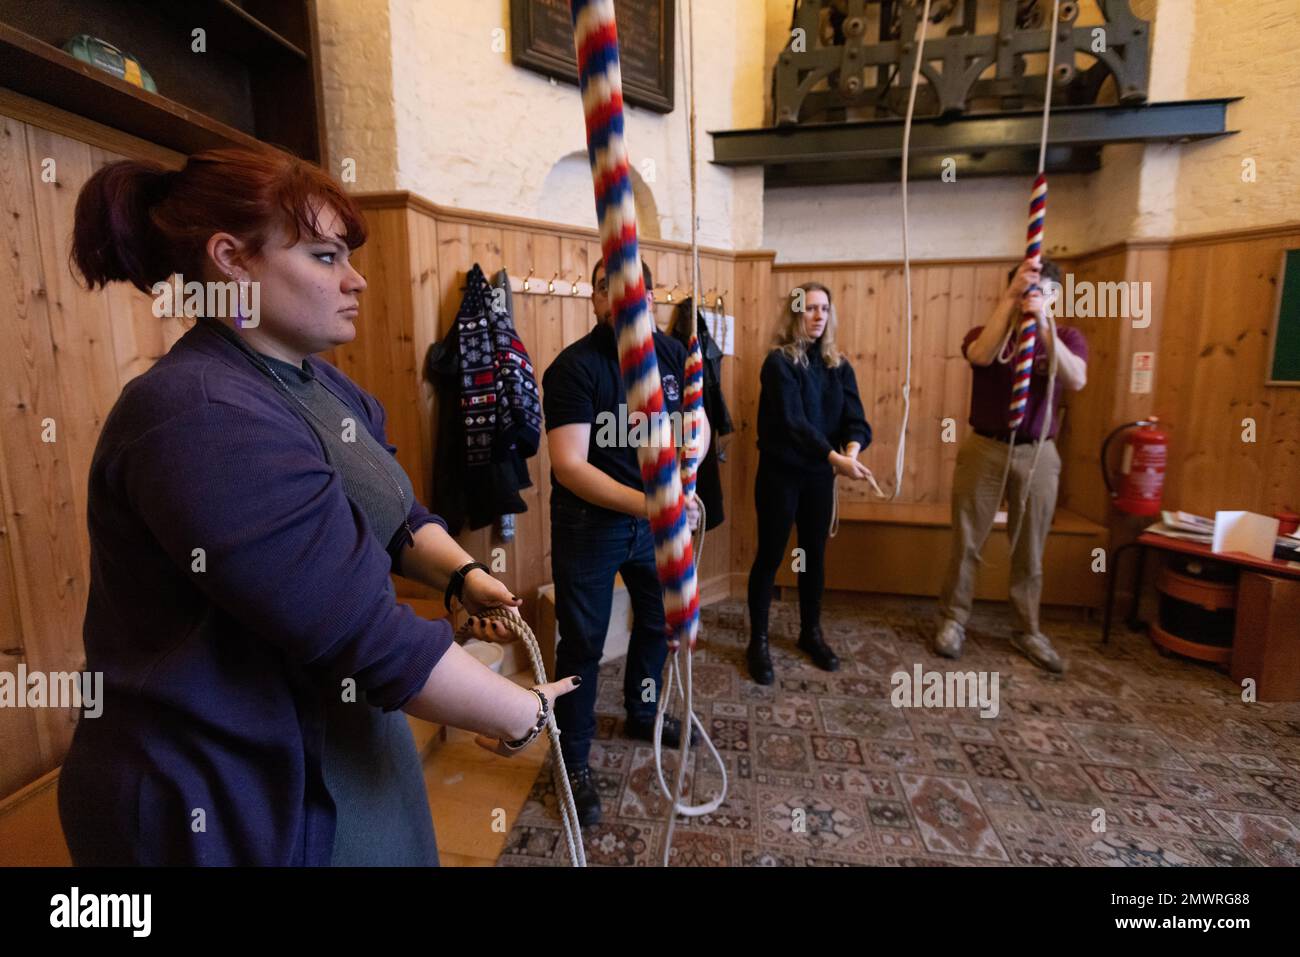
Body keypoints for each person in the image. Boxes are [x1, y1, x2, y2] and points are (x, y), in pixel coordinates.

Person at [57, 147, 578, 866]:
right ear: (231, 261)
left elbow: (394, 513)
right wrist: (523, 712)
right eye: (325, 257)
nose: (355, 279)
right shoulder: (200, 414)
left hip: (331, 741)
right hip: (222, 789)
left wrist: (461, 574)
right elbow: (362, 634)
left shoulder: (319, 384)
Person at [542, 257, 708, 827]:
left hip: (654, 523)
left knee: (659, 621)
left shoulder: (673, 354)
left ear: (651, 297)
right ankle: (572, 760)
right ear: (594, 299)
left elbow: (697, 421)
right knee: (582, 643)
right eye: (604, 287)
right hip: (590, 525)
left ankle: (642, 709)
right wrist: (655, 505)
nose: (618, 296)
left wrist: (689, 466)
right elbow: (569, 466)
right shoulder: (573, 368)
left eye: (631, 287)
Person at [933, 257, 1089, 673]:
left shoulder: (1067, 337)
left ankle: (1027, 629)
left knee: (1030, 546)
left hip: (1038, 452)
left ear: (1056, 298)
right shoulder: (990, 332)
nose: (1034, 298)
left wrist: (1044, 326)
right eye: (1028, 291)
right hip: (986, 447)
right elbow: (979, 356)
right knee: (967, 540)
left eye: (1046, 293)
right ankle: (953, 619)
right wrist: (1011, 299)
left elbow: (1075, 379)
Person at [746, 282, 872, 685]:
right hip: (781, 475)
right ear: (795, 313)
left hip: (819, 477)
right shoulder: (778, 363)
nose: (818, 316)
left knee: (812, 555)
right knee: (770, 555)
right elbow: (793, 423)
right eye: (810, 308)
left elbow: (856, 420)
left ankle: (810, 632)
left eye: (824, 309)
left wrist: (852, 450)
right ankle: (758, 641)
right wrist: (837, 459)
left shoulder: (839, 365)